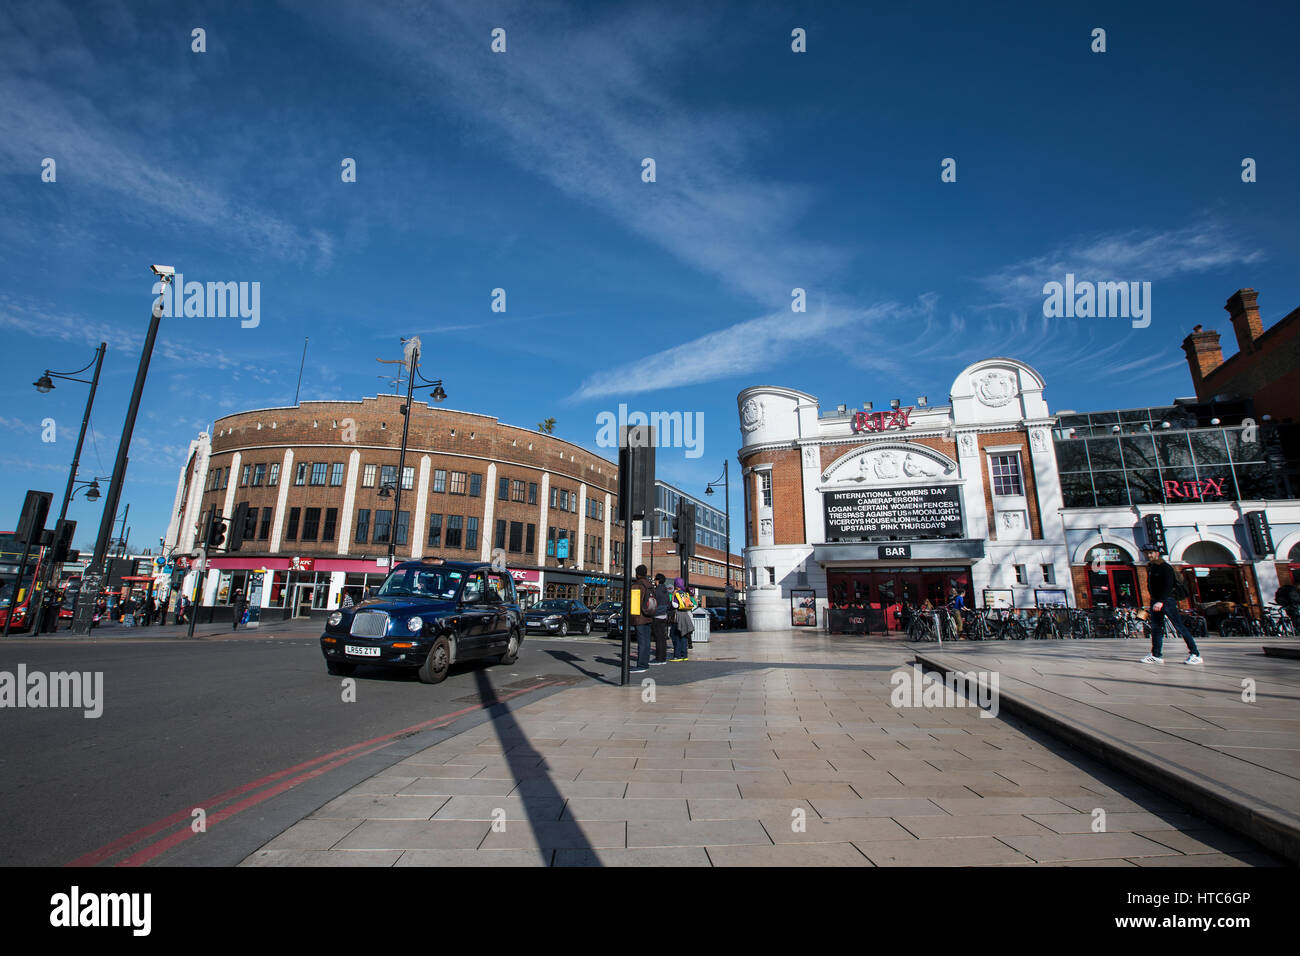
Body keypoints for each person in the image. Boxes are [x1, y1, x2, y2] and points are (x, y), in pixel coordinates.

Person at [1141, 547, 1201, 664]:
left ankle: (1195, 653)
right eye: (1146, 553)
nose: (1148, 555)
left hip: (1166, 601)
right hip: (1156, 600)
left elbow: (1168, 586)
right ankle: (1156, 655)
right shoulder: (1152, 568)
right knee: (1156, 628)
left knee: (1179, 626)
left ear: (1157, 553)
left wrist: (1161, 601)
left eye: (1150, 553)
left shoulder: (1165, 567)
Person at [629, 565, 654, 674]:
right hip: (649, 615)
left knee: (642, 642)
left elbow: (634, 604)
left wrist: (631, 619)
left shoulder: (637, 585)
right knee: (647, 641)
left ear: (637, 574)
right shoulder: (649, 585)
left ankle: (641, 665)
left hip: (640, 618)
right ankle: (645, 663)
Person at [669, 578, 695, 661]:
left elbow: (675, 605)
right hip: (685, 616)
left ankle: (677, 656)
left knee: (676, 636)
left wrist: (673, 596)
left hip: (678, 616)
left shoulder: (677, 594)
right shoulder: (685, 594)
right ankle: (684, 655)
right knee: (684, 636)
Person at [650, 573, 671, 665]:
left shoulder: (656, 591)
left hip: (657, 615)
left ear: (657, 581)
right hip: (664, 615)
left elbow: (652, 604)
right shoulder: (666, 591)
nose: (655, 582)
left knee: (658, 638)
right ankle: (663, 658)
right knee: (662, 638)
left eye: (655, 580)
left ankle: (658, 658)